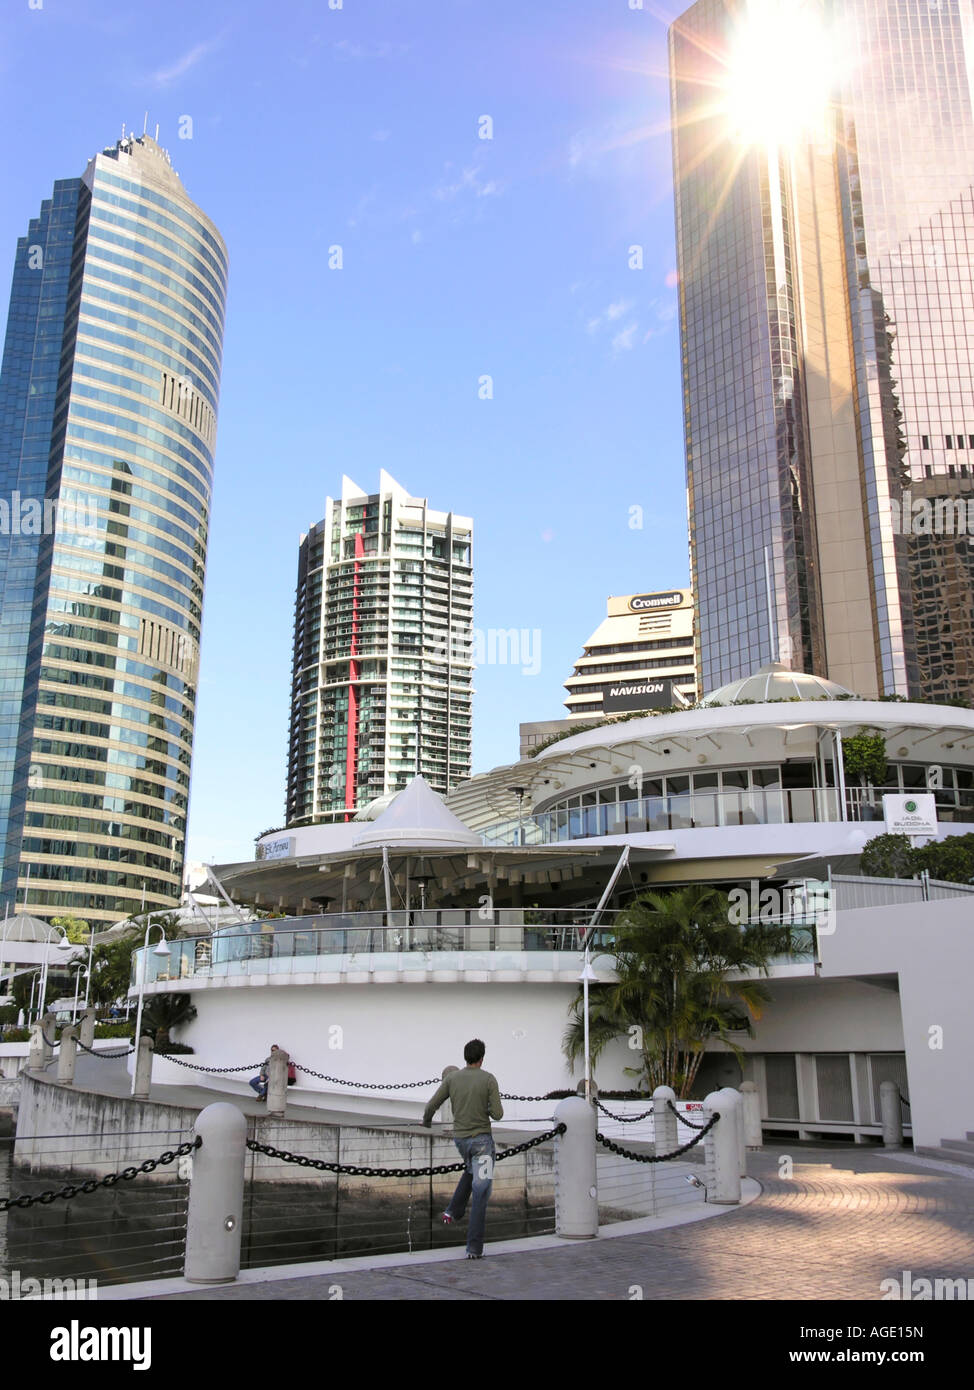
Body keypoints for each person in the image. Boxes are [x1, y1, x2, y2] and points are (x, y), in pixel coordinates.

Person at [421, 1039, 503, 1259]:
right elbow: (498, 1114)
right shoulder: (488, 1079)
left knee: (470, 1169)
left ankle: (453, 1211)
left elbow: (432, 1105)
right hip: (482, 1144)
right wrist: (485, 1104)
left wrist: (427, 1121)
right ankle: (474, 1247)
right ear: (482, 1058)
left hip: (461, 1141)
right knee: (481, 1193)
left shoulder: (452, 1078)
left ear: (465, 1057)